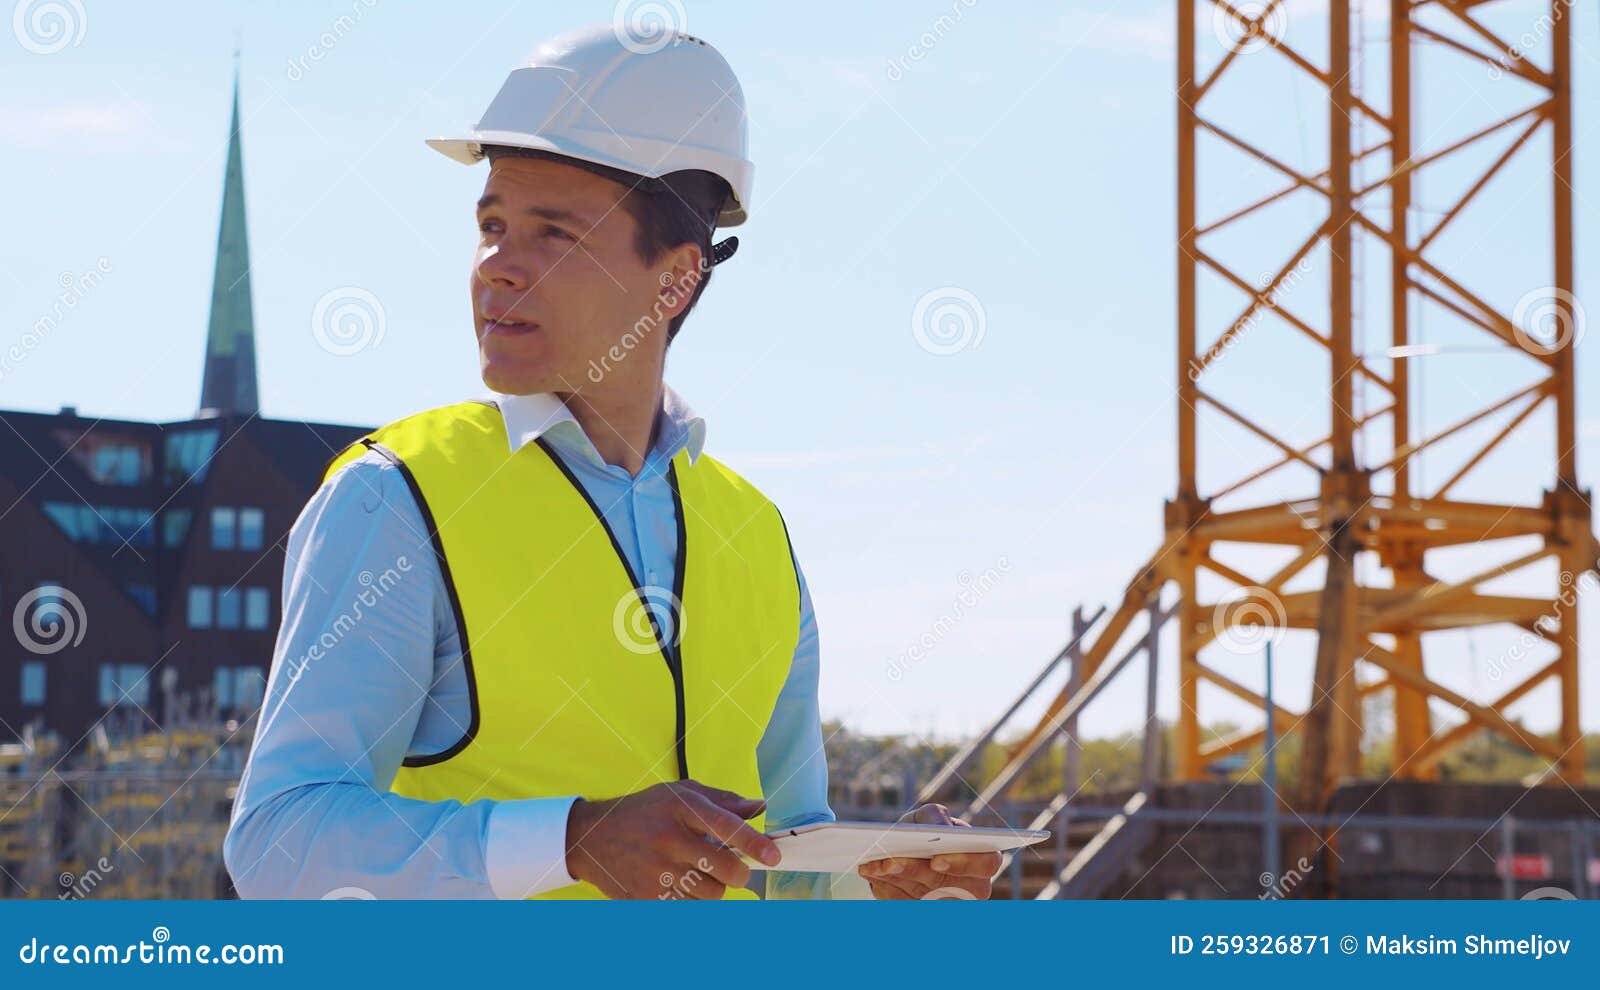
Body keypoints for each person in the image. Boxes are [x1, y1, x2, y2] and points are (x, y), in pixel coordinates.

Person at [223, 22, 999, 901]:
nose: (497, 268)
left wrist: (887, 885)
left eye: (553, 235)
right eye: (491, 226)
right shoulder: (394, 498)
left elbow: (787, 877)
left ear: (676, 278)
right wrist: (572, 840)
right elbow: (278, 848)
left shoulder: (755, 535)